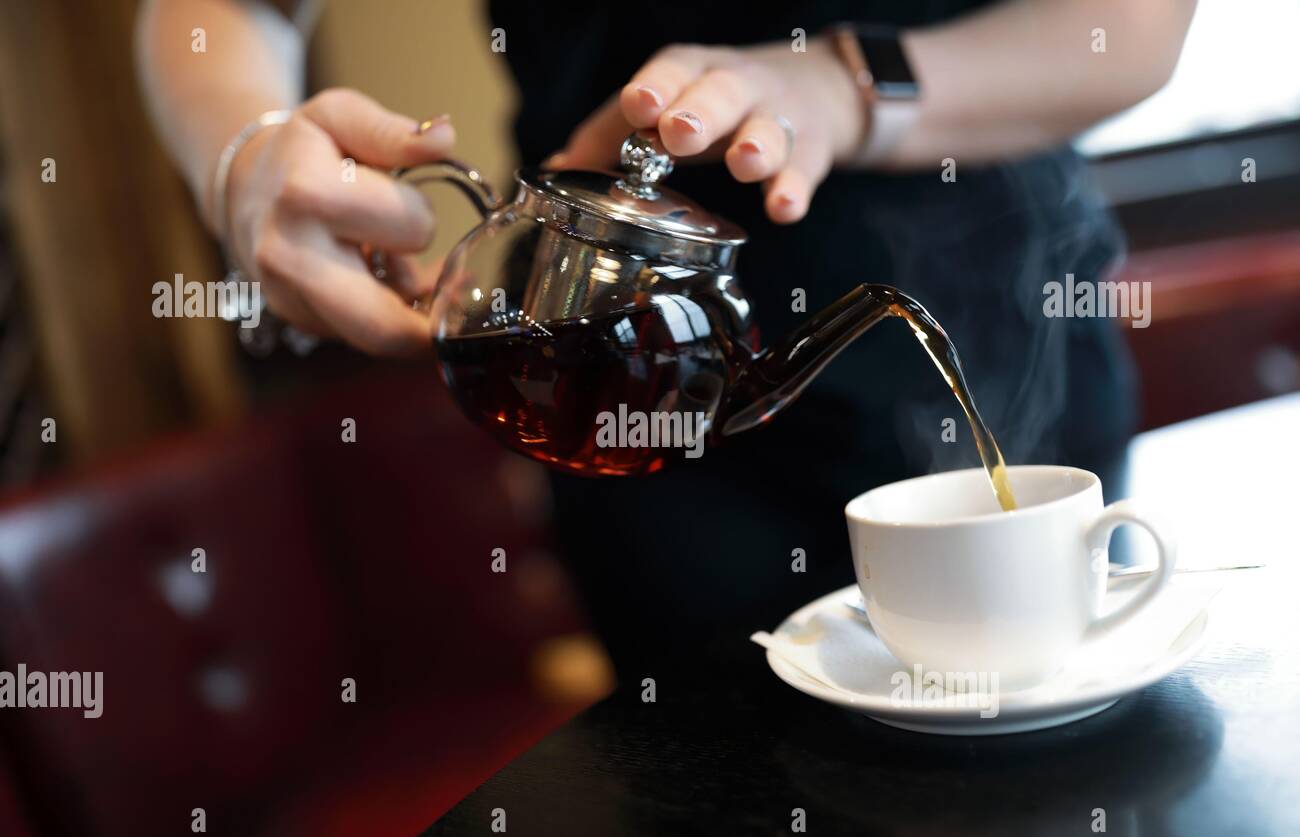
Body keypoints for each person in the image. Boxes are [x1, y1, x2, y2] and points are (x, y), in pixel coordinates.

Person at [137, 0, 1196, 677]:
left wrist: (839, 84)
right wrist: (242, 158)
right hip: (632, 416)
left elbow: (1134, 21)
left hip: (1004, 335)